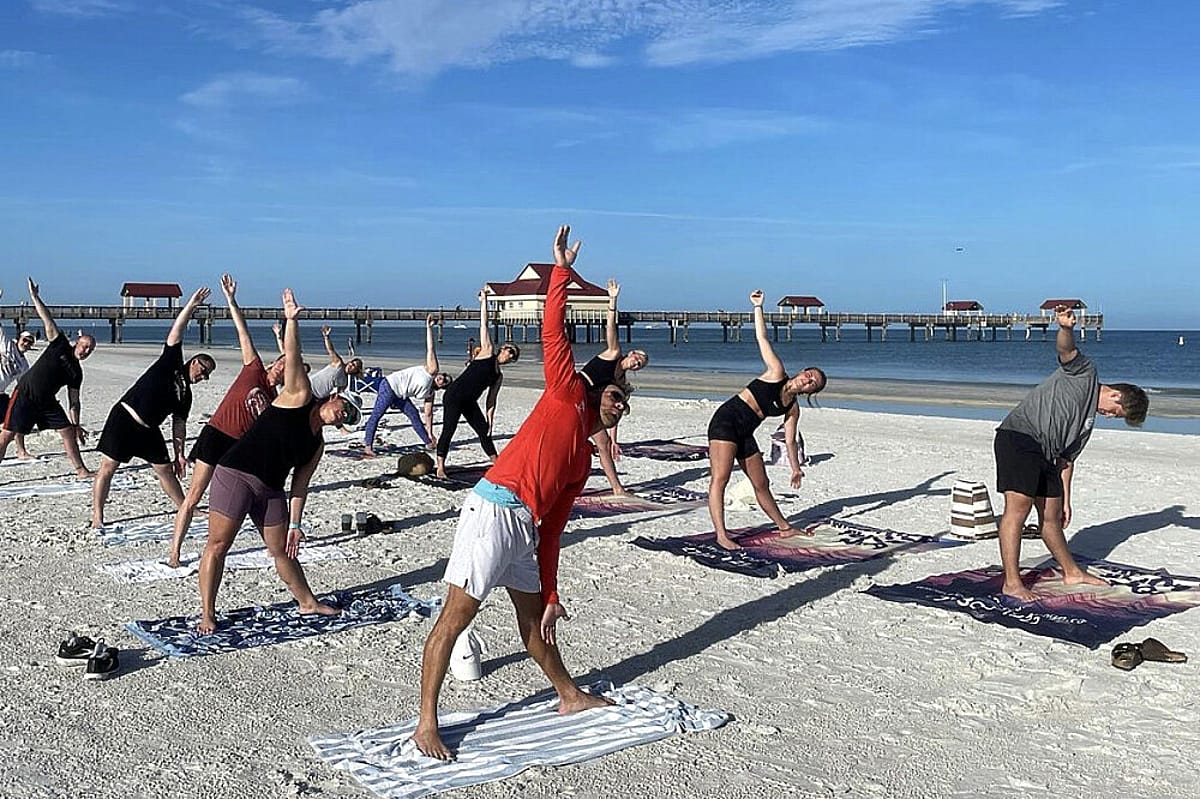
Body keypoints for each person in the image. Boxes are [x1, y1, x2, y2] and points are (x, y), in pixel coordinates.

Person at [414, 225, 626, 761]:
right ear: (599, 393)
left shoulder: (582, 461)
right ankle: (425, 723)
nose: (617, 405)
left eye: (624, 406)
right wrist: (560, 273)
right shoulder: (564, 393)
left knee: (536, 625)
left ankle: (569, 695)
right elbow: (555, 335)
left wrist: (552, 593)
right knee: (456, 616)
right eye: (615, 396)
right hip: (492, 510)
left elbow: (553, 530)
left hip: (526, 530)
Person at [195, 288, 360, 634]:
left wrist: (297, 525)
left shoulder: (316, 445)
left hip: (270, 489)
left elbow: (300, 486)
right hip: (236, 473)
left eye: (343, 418)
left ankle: (307, 602)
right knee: (219, 544)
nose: (338, 416)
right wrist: (290, 321)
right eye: (340, 409)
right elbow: (293, 354)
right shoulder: (297, 395)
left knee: (283, 550)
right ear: (332, 398)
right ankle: (207, 612)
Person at [994, 305, 1148, 602]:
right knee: (1019, 508)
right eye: (1117, 412)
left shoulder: (1087, 425)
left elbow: (1067, 460)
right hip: (1019, 437)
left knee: (1051, 516)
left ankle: (1071, 572)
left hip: (1048, 454)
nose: (1111, 416)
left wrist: (1066, 497)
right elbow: (1066, 351)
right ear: (1117, 394)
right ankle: (1012, 582)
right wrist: (1065, 328)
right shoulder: (1086, 373)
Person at [167, 274, 285, 567]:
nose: (282, 369)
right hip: (216, 435)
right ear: (274, 363)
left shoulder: (276, 399)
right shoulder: (254, 368)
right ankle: (175, 552)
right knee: (193, 496)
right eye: (281, 362)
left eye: (288, 368)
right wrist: (231, 300)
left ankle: (275, 543)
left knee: (251, 498)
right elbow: (242, 332)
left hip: (237, 449)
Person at [706, 290, 826, 550]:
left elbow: (791, 441)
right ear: (803, 372)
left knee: (762, 483)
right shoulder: (776, 372)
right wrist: (758, 307)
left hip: (745, 433)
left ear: (810, 392)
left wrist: (796, 468)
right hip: (726, 422)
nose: (807, 380)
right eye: (809, 375)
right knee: (721, 478)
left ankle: (784, 527)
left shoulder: (793, 408)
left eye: (812, 384)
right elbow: (762, 338)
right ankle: (721, 535)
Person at [91, 288, 216, 530]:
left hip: (149, 430)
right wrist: (191, 305)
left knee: (166, 470)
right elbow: (176, 331)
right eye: (202, 369)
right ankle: (98, 515)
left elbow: (179, 425)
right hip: (125, 418)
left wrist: (180, 454)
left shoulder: (186, 396)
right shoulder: (171, 363)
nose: (203, 375)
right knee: (108, 467)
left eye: (207, 375)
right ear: (193, 362)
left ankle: (184, 506)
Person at [0, 278, 96, 476]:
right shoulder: (59, 344)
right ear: (77, 343)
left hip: (47, 402)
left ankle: (81, 470)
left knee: (68, 431)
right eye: (84, 345)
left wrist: (76, 424)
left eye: (90, 349)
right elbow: (47, 319)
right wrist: (35, 297)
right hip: (25, 395)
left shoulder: (77, 372)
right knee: (7, 435)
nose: (86, 350)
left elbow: (74, 401)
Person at [434, 288, 519, 478]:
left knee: (483, 431)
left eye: (513, 356)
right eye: (509, 351)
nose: (509, 356)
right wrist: (484, 301)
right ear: (502, 349)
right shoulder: (487, 351)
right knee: (449, 429)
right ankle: (440, 466)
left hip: (470, 402)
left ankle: (496, 463)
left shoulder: (499, 376)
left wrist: (490, 420)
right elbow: (484, 325)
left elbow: (491, 400)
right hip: (455, 395)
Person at [580, 279, 649, 496]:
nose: (638, 362)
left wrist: (615, 440)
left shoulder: (620, 384)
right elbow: (611, 329)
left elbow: (614, 410)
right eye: (638, 357)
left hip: (591, 405)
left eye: (641, 364)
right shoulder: (613, 354)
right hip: (574, 394)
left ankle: (617, 488)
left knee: (604, 444)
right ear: (630, 354)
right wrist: (612, 300)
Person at [362, 315, 453, 457]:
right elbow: (431, 349)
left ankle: (428, 443)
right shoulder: (432, 370)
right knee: (377, 414)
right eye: (443, 375)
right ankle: (368, 445)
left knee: (413, 414)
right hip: (390, 385)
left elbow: (428, 415)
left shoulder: (430, 394)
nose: (441, 377)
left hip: (400, 395)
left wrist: (430, 434)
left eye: (444, 381)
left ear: (442, 387)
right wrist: (428, 328)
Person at [276, 323, 363, 400]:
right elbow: (331, 350)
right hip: (309, 387)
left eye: (354, 367)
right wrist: (326, 337)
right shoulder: (338, 363)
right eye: (352, 363)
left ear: (355, 371)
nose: (351, 366)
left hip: (318, 397)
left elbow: (337, 395)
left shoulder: (344, 382)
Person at [0, 290, 37, 460]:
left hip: (0, 395)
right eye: (24, 340)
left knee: (16, 416)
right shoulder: (7, 345)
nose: (26, 343)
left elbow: (24, 386)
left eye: (30, 342)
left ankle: (21, 451)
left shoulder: (24, 365)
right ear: (18, 339)